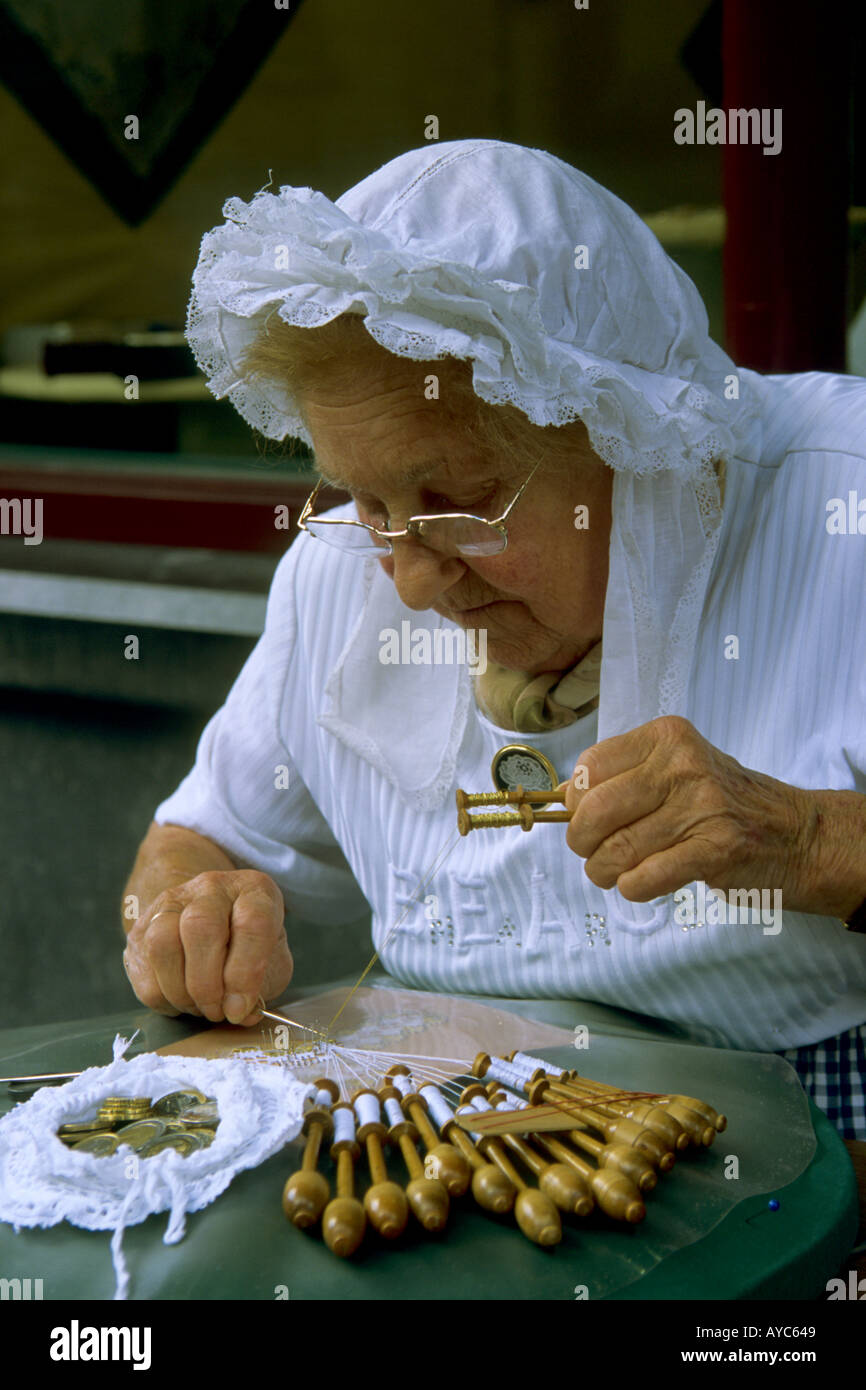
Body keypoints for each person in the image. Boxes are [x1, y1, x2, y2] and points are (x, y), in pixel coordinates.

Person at [121, 140, 866, 1139]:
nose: (414, 577)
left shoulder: (837, 505)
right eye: (365, 500)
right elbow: (198, 835)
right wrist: (185, 912)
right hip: (455, 1145)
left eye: (461, 506)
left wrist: (812, 838)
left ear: (618, 433)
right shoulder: (345, 566)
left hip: (807, 1143)